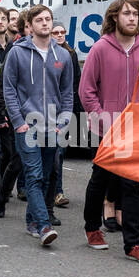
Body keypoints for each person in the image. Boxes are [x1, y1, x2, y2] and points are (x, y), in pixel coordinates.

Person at [79, 0, 139, 260]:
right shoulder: (100, 48)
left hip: (136, 129)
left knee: (132, 185)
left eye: (135, 14)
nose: (132, 18)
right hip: (106, 128)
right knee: (101, 179)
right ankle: (92, 228)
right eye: (126, 14)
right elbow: (86, 91)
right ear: (114, 18)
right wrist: (101, 119)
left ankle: (133, 244)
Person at [1, 4, 73, 246]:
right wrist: (19, 122)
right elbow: (8, 89)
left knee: (45, 176)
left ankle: (32, 221)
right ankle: (44, 226)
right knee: (33, 174)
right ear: (29, 26)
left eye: (48, 19)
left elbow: (67, 94)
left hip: (52, 126)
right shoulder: (17, 53)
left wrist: (62, 123)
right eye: (40, 19)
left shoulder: (62, 55)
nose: (45, 23)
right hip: (27, 126)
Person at [0, 6, 20, 210]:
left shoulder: (13, 46)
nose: (0, 22)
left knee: (10, 152)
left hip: (8, 104)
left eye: (3, 18)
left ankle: (5, 188)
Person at [49, 22, 82, 213]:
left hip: (65, 111)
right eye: (56, 32)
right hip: (45, 111)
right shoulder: (44, 54)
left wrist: (76, 114)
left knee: (59, 154)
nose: (60, 35)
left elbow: (75, 85)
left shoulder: (70, 54)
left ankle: (57, 192)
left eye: (62, 32)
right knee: (48, 155)